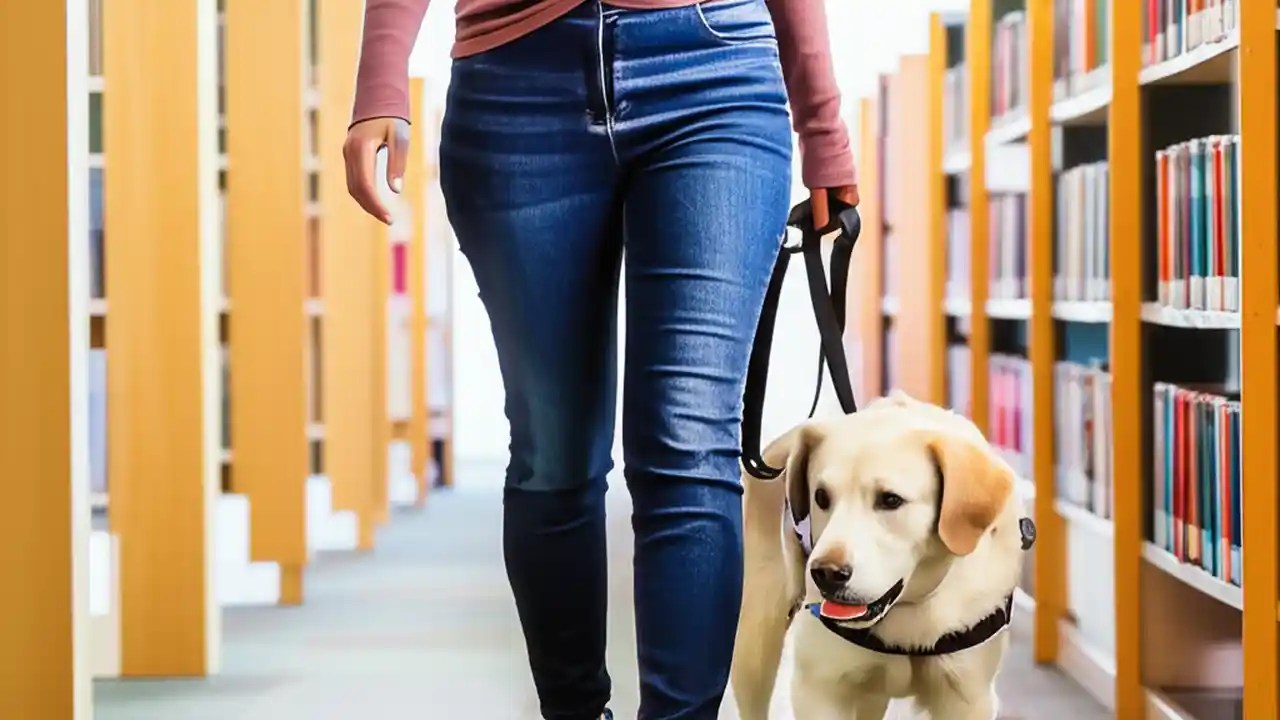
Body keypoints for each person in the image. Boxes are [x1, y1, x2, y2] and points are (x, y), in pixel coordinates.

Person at [343, 0, 856, 717]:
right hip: (513, 83)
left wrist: (822, 122)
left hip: (715, 77)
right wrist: (380, 77)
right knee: (553, 456)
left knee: (686, 443)